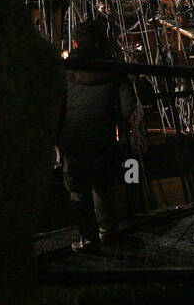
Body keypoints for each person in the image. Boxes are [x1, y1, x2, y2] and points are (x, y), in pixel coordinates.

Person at [58, 18, 136, 252]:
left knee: (77, 190)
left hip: (72, 138)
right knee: (103, 185)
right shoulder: (113, 68)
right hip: (102, 135)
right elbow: (128, 106)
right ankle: (107, 231)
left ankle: (87, 238)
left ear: (74, 43)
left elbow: (55, 105)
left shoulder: (64, 70)